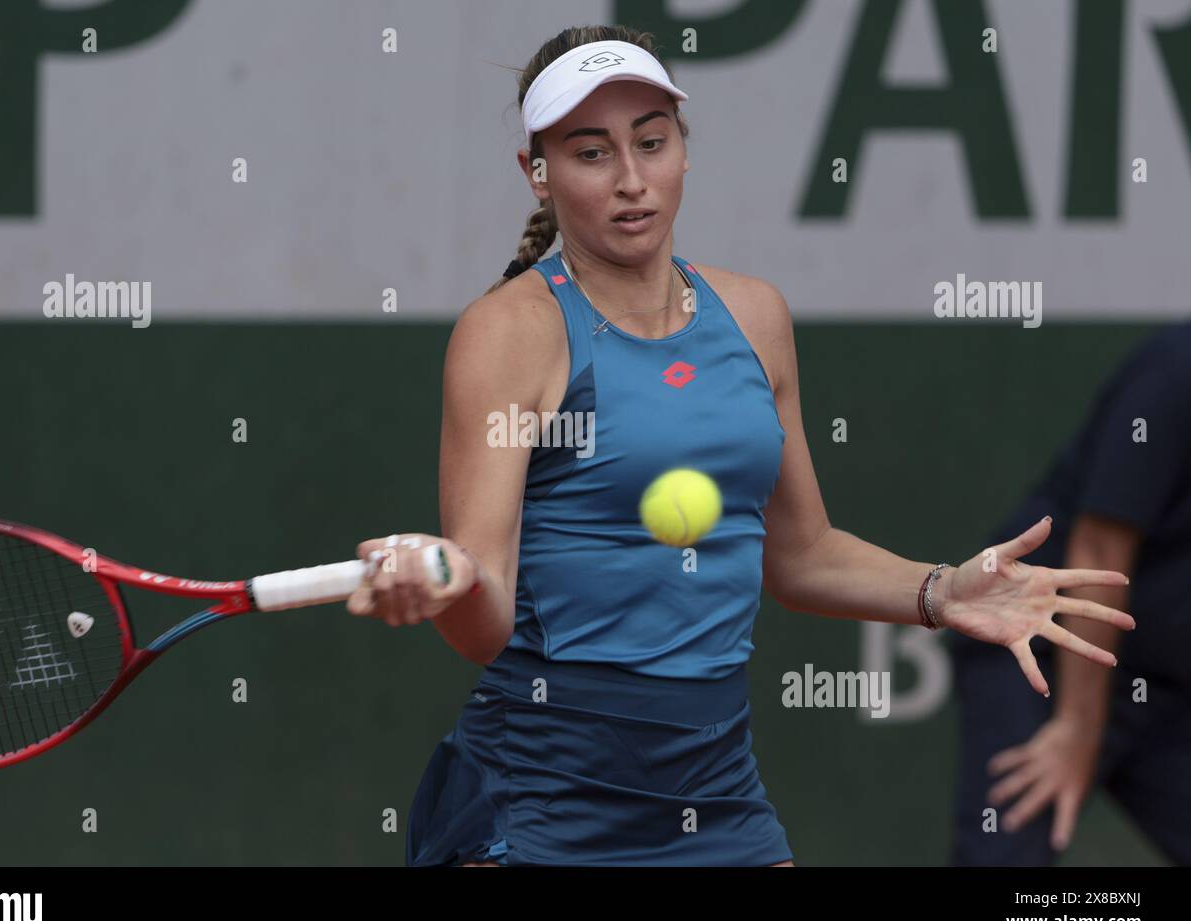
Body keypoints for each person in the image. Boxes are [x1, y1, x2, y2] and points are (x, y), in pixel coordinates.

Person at [346, 24, 1133, 866]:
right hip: (541, 804)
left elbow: (800, 554)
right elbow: (484, 621)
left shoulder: (754, 317)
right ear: (537, 175)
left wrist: (943, 591)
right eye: (589, 154)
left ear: (684, 147)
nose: (632, 180)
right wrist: (446, 584)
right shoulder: (507, 335)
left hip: (718, 798)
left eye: (652, 142)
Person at [948, 320, 1191, 866]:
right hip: (1037, 646)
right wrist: (1078, 729)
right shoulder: (1176, 371)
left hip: (1165, 683)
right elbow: (1101, 550)